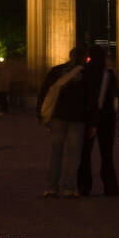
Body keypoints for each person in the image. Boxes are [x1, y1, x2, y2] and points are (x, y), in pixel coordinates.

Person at [38, 47, 86, 198]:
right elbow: (91, 98)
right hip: (78, 118)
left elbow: (45, 91)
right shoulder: (86, 73)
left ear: (69, 56)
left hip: (58, 116)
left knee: (56, 152)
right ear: (84, 58)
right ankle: (69, 188)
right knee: (73, 154)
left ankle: (51, 187)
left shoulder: (56, 71)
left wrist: (40, 113)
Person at [77, 46, 119, 197]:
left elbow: (86, 97)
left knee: (84, 154)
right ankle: (111, 187)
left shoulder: (84, 73)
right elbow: (115, 94)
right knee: (107, 154)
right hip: (107, 118)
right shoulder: (109, 75)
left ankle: (84, 187)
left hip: (89, 118)